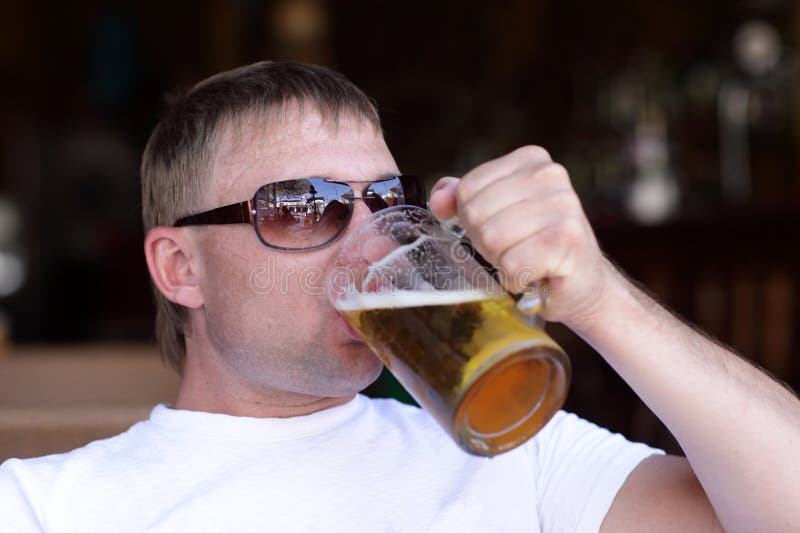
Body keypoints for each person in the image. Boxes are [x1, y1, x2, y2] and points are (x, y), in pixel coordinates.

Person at [1, 61, 798, 532]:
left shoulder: (514, 451)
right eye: (306, 208)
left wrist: (600, 302)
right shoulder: (46, 507)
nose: (369, 240)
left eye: (386, 200)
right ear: (181, 267)